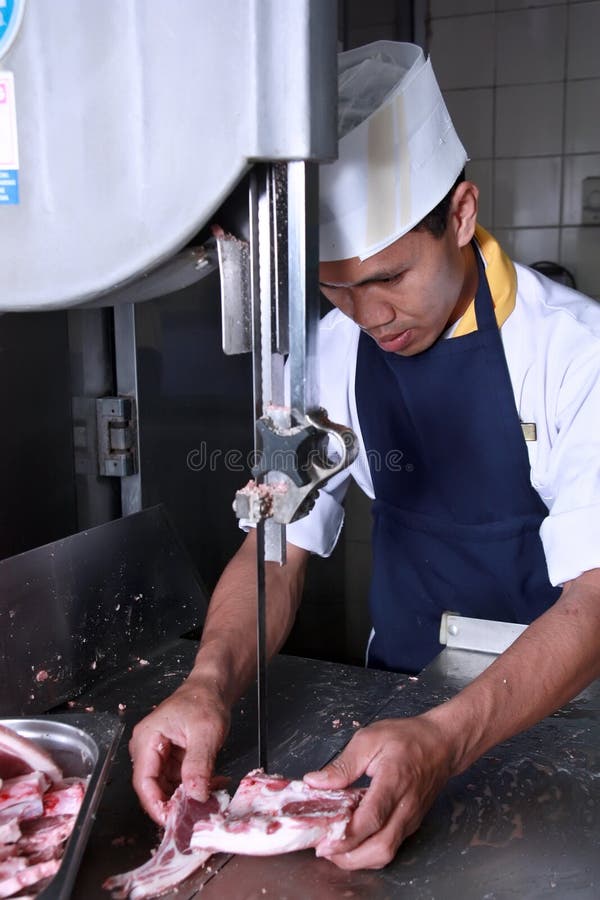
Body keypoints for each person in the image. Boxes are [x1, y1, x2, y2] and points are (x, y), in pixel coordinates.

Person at [129, 42, 600, 870]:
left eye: (389, 277)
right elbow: (277, 547)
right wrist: (206, 683)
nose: (368, 314)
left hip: (566, 712)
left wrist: (447, 741)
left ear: (462, 215)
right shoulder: (333, 352)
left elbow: (595, 598)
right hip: (400, 701)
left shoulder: (574, 354)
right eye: (336, 285)